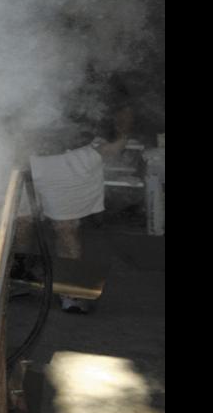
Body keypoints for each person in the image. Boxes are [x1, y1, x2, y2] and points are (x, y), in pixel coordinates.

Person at [23, 75, 134, 312]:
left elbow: (121, 105)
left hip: (71, 157)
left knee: (66, 228)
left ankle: (71, 291)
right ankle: (16, 280)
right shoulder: (21, 57)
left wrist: (120, 140)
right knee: (17, 221)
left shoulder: (90, 66)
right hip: (24, 152)